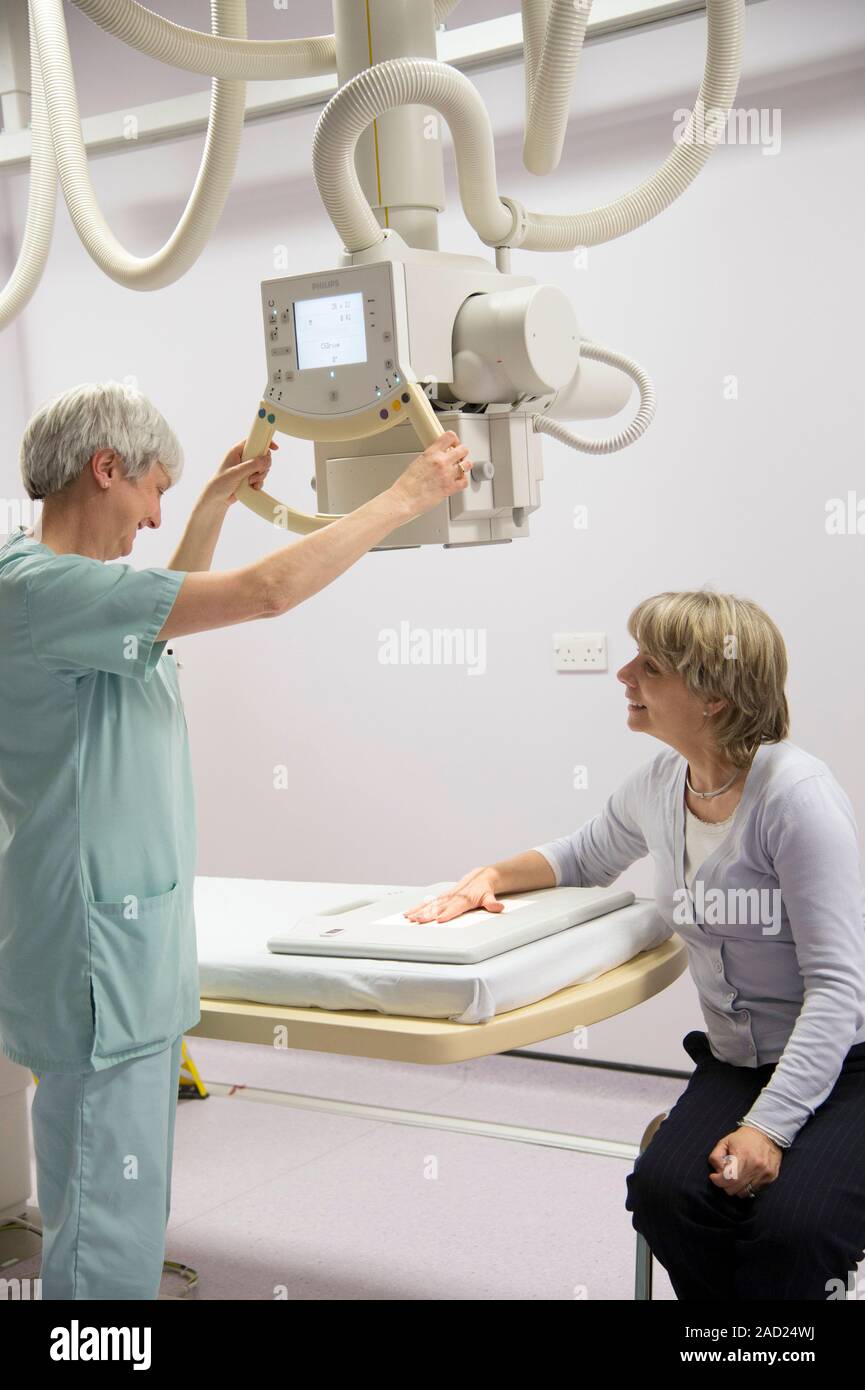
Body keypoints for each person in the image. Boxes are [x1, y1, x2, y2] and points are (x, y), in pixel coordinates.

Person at [0, 379, 472, 1300]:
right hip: (100, 969)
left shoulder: (66, 595)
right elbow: (261, 594)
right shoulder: (43, 591)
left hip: (122, 957)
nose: (153, 517)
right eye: (155, 492)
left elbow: (163, 604)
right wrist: (405, 495)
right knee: (103, 1238)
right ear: (107, 469)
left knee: (111, 1212)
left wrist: (212, 506)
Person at [404, 590, 865, 1300]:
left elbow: (837, 990)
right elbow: (581, 855)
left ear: (712, 696)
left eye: (649, 666)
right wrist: (490, 875)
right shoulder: (661, 784)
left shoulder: (795, 799)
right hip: (739, 1061)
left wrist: (767, 1129)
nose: (624, 675)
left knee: (792, 1229)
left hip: (844, 1066)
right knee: (665, 1194)